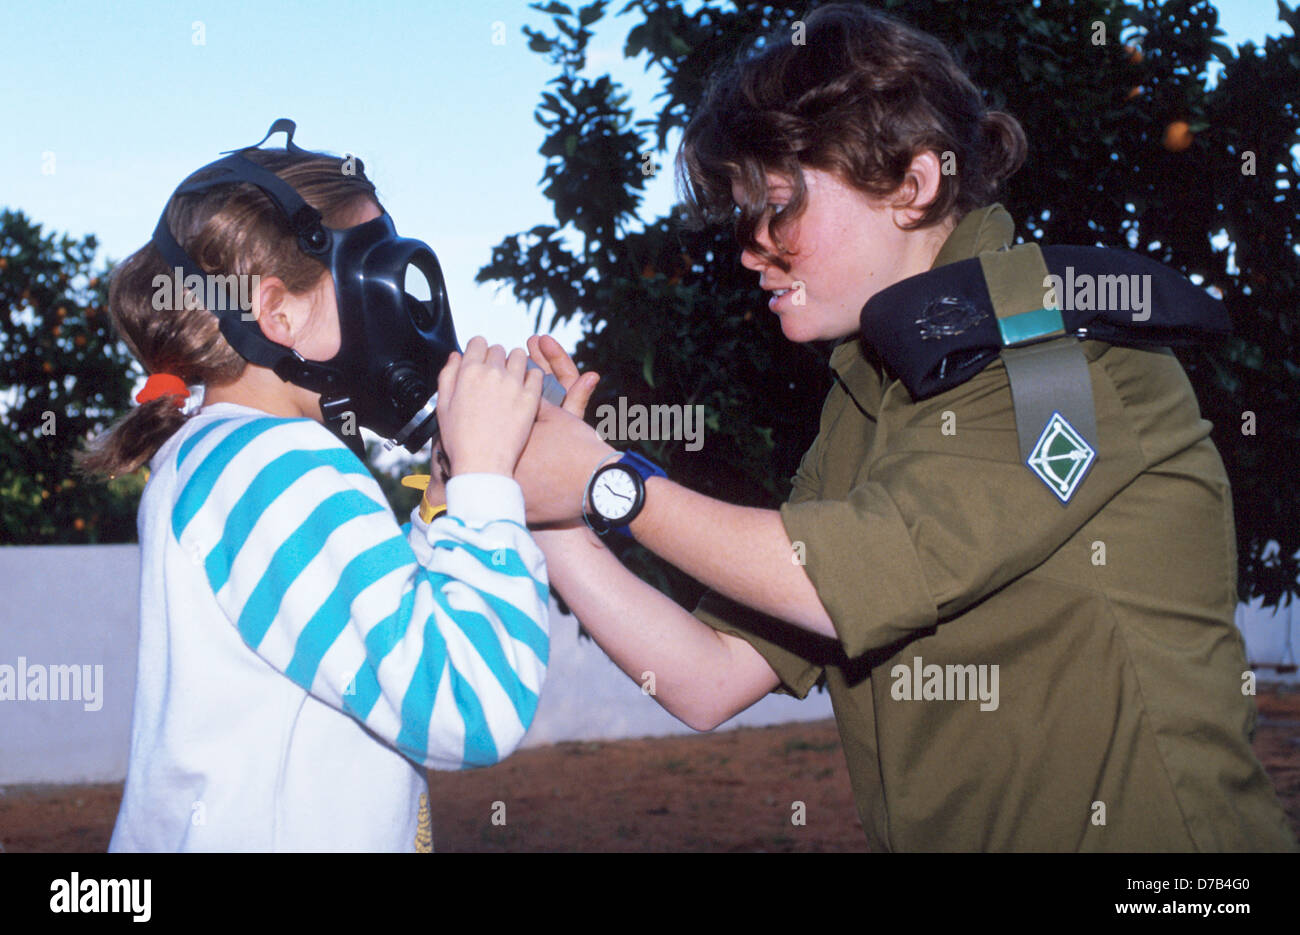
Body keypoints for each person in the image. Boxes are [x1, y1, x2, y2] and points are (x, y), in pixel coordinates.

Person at [502, 4, 1298, 851]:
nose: (749, 249)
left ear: (913, 187)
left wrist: (604, 478)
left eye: (776, 207)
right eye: (741, 218)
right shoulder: (867, 397)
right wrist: (549, 506)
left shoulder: (1058, 348)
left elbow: (839, 582)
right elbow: (707, 677)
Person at [79, 142, 550, 852]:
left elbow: (376, 632)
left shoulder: (211, 454)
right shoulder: (278, 463)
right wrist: (488, 481)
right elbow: (471, 702)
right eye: (368, 278)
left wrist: (448, 495)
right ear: (279, 314)